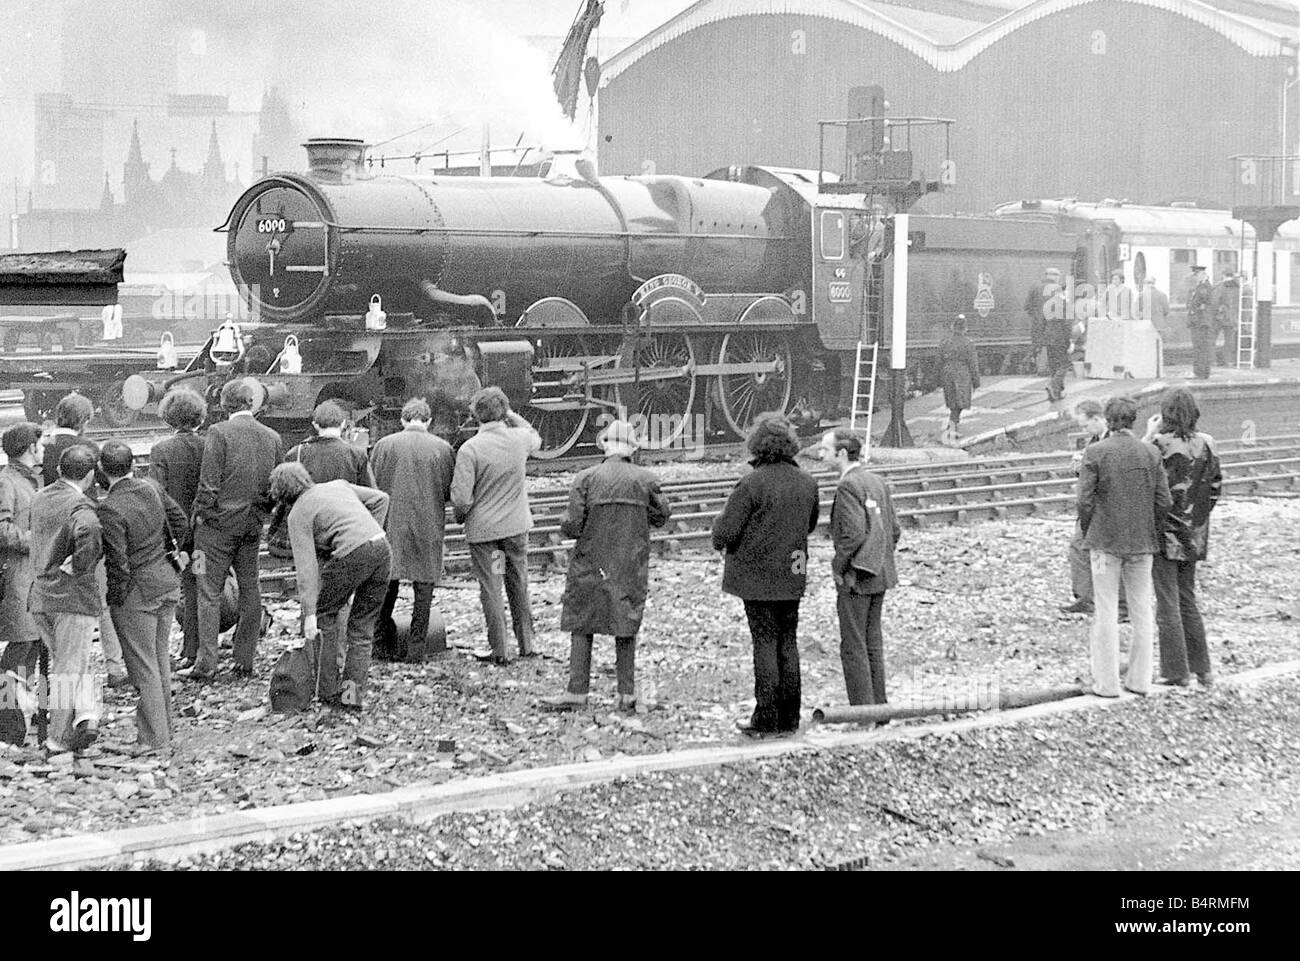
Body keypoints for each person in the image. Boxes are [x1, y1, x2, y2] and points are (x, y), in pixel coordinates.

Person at [540, 420, 672, 713]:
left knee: (582, 623)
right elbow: (662, 516)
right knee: (625, 623)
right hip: (629, 564)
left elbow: (572, 527)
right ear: (632, 449)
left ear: (605, 446)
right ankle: (626, 694)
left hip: (591, 563)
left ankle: (577, 692)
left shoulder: (585, 478)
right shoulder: (646, 479)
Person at [712, 415, 820, 737]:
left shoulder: (751, 483)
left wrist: (719, 535)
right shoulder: (808, 482)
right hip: (793, 571)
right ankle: (790, 718)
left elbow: (726, 531)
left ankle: (765, 717)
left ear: (757, 443)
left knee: (764, 642)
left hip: (757, 576)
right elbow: (810, 525)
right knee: (788, 641)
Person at [183, 378, 284, 680]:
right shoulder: (272, 437)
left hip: (215, 530)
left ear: (224, 404)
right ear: (251, 403)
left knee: (207, 592)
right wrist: (262, 512)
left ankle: (206, 663)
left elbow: (208, 484)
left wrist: (202, 517)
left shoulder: (218, 432)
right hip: (251, 527)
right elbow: (276, 485)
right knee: (251, 588)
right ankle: (244, 659)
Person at [270, 463, 391, 711]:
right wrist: (370, 530)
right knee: (362, 631)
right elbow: (381, 498)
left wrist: (310, 614)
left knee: (325, 620)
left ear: (280, 493)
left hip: (351, 555)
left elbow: (307, 570)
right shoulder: (338, 484)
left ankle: (329, 692)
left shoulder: (297, 514)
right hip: (382, 549)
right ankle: (352, 698)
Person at [1077, 395, 1171, 698]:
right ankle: (1140, 681)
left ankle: (1106, 684)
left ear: (1108, 419)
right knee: (1142, 610)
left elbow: (1084, 500)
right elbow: (1164, 501)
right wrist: (1150, 531)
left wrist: (1089, 529)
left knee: (1105, 611)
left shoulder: (1095, 452)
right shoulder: (1150, 453)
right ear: (1133, 420)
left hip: (1105, 543)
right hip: (1142, 544)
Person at [98, 442, 186, 752]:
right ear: (133, 464)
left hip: (138, 594)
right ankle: (166, 729)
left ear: (101, 470)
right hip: (167, 581)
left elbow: (118, 562)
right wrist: (174, 553)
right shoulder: (152, 488)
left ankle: (153, 739)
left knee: (143, 666)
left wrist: (116, 598)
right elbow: (181, 522)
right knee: (160, 659)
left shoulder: (109, 507)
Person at [40, 392, 127, 688]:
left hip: (49, 532)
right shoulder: (88, 447)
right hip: (83, 529)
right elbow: (107, 484)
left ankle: (56, 671)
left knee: (53, 605)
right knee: (100, 604)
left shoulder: (44, 446)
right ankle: (114, 669)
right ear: (85, 420)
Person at [451, 386, 541, 665]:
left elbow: (462, 499)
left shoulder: (470, 449)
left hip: (486, 536)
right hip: (515, 530)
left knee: (492, 586)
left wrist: (461, 517)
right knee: (519, 583)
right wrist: (511, 415)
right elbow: (535, 435)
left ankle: (500, 650)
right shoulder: (519, 440)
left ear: (475, 415)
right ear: (503, 411)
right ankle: (527, 645)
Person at [1141, 388, 1222, 687]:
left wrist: (1148, 434)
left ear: (1166, 414)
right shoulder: (1208, 443)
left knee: (1167, 602)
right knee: (1188, 598)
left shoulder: (1159, 444)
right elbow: (1215, 487)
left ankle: (1176, 671)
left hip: (1163, 531)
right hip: (1194, 532)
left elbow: (1143, 477)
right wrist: (1197, 519)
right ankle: (1203, 669)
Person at [28, 446, 104, 753]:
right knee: (68, 671)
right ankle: (58, 739)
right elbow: (89, 531)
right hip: (71, 599)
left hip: (41, 596)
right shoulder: (81, 506)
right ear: (88, 476)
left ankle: (85, 716)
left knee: (67, 661)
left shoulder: (41, 497)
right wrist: (80, 567)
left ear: (59, 470)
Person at [822, 428, 902, 710]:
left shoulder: (847, 486)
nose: (821, 456)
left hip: (856, 576)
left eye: (825, 451)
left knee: (853, 646)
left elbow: (852, 535)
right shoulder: (877, 480)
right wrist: (880, 559)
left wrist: (838, 567)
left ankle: (862, 713)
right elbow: (894, 530)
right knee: (873, 643)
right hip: (880, 574)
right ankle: (879, 709)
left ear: (842, 454)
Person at [370, 398, 455, 659]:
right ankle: (416, 649)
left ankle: (379, 645)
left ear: (403, 420)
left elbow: (372, 485)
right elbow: (449, 490)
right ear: (428, 421)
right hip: (428, 522)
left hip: (391, 522)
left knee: (387, 583)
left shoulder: (384, 445)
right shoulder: (442, 448)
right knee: (424, 587)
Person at [147, 388, 206, 668]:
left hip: (174, 533)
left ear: (169, 418)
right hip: (204, 530)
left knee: (186, 590)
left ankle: (189, 649)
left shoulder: (161, 450)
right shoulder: (209, 445)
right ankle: (200, 648)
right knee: (202, 588)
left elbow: (155, 493)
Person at [0, 423, 45, 680]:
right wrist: (38, 541)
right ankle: (8, 710)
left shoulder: (23, 479)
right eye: (39, 446)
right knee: (22, 644)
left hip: (29, 577)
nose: (42, 451)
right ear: (30, 447)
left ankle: (22, 714)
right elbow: (2, 528)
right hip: (17, 577)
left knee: (32, 645)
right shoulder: (7, 482)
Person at [1061, 399, 1108, 614]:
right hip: (1090, 506)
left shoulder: (1110, 441)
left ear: (1097, 419)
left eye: (1085, 425)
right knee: (1080, 547)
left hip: (1103, 507)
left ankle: (1101, 599)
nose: (1084, 430)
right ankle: (1087, 597)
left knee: (1098, 553)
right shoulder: (1095, 440)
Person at [283, 401, 375, 486]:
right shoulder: (357, 455)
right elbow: (370, 492)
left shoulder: (296, 453)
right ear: (343, 424)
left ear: (315, 425)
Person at [937, 313, 980, 442]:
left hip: (948, 373)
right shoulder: (968, 343)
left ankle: (952, 427)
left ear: (952, 327)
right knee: (960, 403)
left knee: (952, 402)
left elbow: (938, 361)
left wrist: (937, 379)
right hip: (962, 374)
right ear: (965, 328)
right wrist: (976, 381)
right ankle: (952, 428)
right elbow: (973, 364)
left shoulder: (945, 342)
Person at [1186, 265, 1215, 379]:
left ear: (1202, 275)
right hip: (1199, 321)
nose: (1195, 277)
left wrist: (1196, 309)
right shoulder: (1200, 286)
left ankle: (1200, 372)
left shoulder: (1204, 287)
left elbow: (1201, 304)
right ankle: (1200, 372)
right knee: (1200, 347)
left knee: (1200, 348)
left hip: (1201, 322)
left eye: (1197, 275)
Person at [1210, 270, 1241, 368]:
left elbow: (1214, 301)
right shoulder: (1239, 287)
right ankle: (1227, 361)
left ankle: (1212, 361)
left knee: (1212, 339)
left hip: (1219, 317)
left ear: (1223, 275)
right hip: (1232, 317)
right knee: (1229, 341)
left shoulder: (1220, 287)